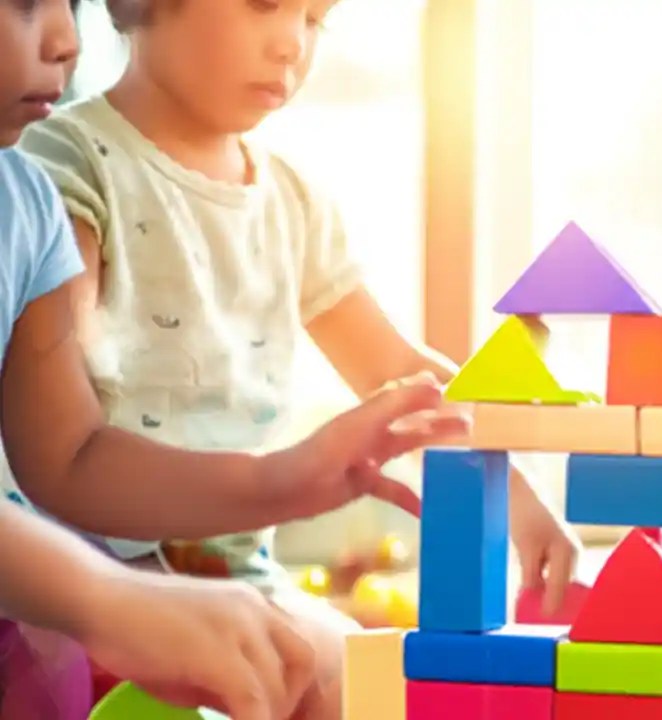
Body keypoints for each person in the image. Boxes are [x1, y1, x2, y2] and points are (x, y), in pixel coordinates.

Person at [0, 0, 465, 717]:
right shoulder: (65, 166)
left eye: (315, 19)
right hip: (74, 579)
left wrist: (519, 492)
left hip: (237, 578)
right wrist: (105, 599)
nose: (291, 44)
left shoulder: (290, 199)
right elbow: (64, 458)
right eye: (266, 5)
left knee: (382, 689)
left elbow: (397, 370)